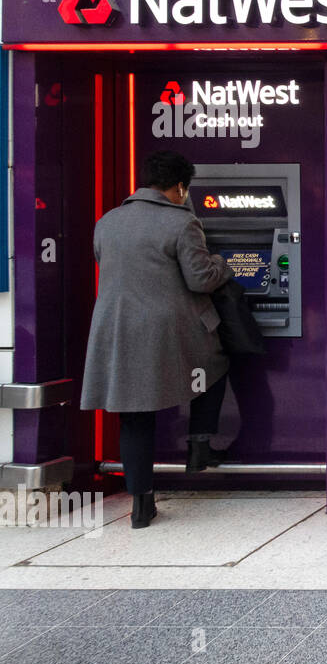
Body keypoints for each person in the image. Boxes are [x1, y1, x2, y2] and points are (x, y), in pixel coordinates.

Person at [81, 151, 233, 529]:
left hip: (115, 329)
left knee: (134, 414)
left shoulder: (108, 221)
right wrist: (223, 264)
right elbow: (200, 279)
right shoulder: (182, 223)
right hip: (169, 330)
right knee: (214, 365)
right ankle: (198, 447)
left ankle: (141, 503)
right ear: (180, 187)